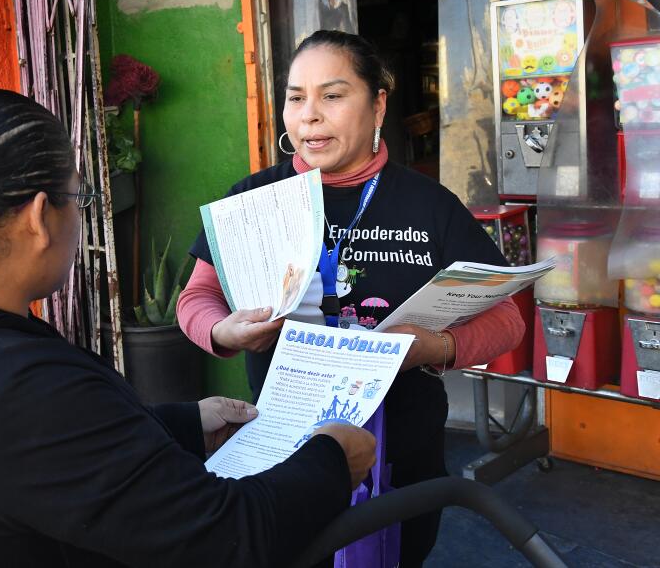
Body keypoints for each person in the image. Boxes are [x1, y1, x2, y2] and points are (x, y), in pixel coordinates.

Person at [0, 89, 377, 567]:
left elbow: (48, 462)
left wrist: (184, 423)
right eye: (77, 200)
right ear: (40, 217)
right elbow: (226, 537)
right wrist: (331, 460)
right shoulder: (18, 384)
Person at [177, 30, 527, 567]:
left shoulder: (428, 204)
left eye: (332, 95)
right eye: (296, 97)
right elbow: (197, 297)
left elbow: (506, 318)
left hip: (403, 456)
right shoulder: (253, 199)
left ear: (378, 103)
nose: (309, 116)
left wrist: (434, 347)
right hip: (282, 452)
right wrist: (224, 332)